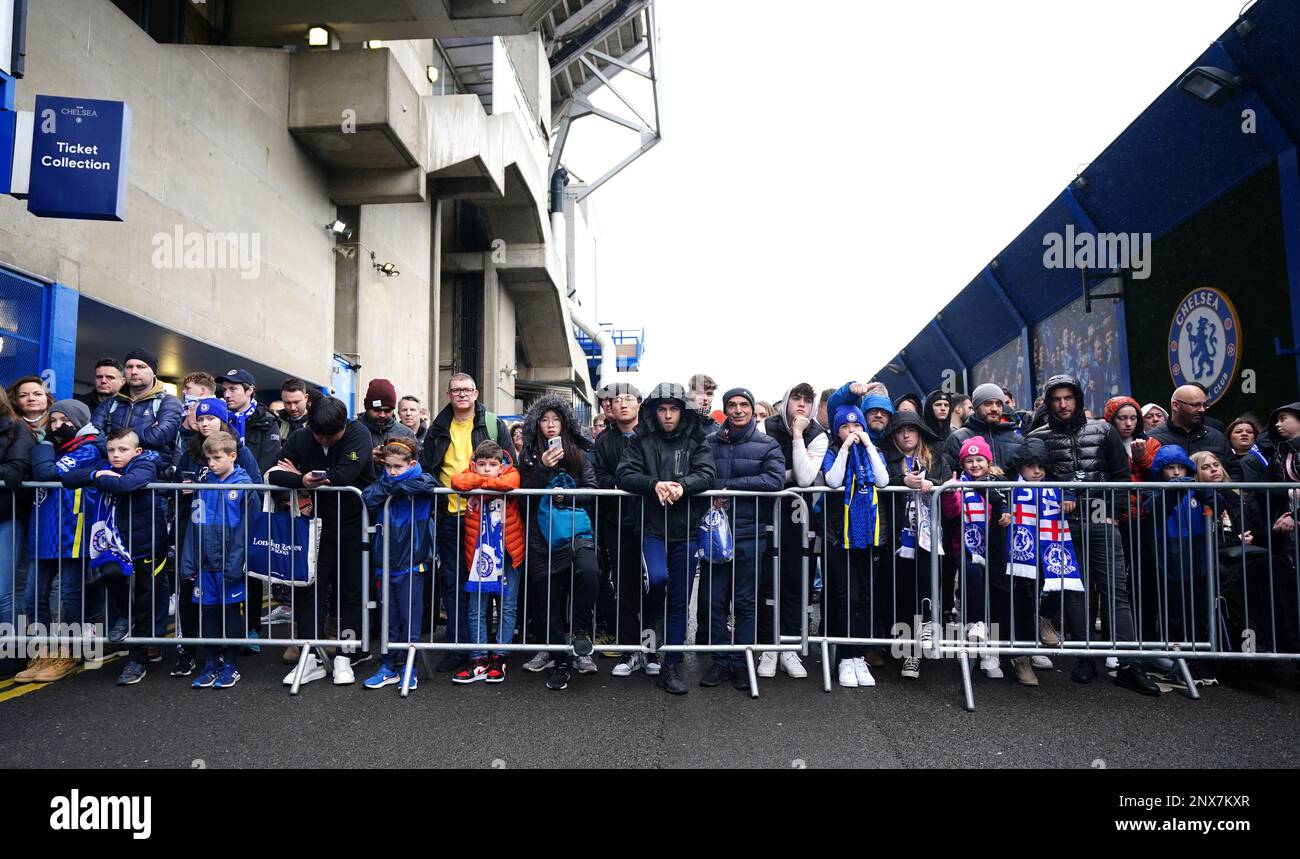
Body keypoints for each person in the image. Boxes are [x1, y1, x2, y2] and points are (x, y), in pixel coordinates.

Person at [1028, 375, 1159, 695]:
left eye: (1068, 398)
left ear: (1077, 400)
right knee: (1075, 592)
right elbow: (1033, 478)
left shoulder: (1103, 429)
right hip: (1062, 522)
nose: (1062, 404)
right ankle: (1084, 659)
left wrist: (1113, 512)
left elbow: (1119, 475)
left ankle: (1129, 665)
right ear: (1048, 402)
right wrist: (1057, 501)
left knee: (1116, 590)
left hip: (1102, 520)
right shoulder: (1037, 437)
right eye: (1056, 399)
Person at [269, 397, 376, 686]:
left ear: (343, 426)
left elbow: (346, 475)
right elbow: (273, 472)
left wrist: (302, 477)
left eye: (331, 435)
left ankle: (347, 655)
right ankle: (311, 655)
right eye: (319, 435)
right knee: (309, 589)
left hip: (354, 526)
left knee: (351, 590)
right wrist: (300, 481)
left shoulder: (359, 433)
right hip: (315, 527)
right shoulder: (303, 436)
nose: (325, 440)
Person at [617, 382, 716, 695]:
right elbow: (624, 474)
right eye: (662, 409)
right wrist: (655, 484)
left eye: (674, 408)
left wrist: (682, 485)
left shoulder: (696, 437)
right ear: (654, 411)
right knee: (657, 580)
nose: (669, 415)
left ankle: (671, 664)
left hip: (686, 530)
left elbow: (708, 473)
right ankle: (648, 643)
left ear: (682, 410)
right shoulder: (640, 438)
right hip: (652, 528)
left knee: (679, 600)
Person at [418, 374, 511, 672]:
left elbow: (510, 466)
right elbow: (428, 469)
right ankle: (459, 646)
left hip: (489, 518)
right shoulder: (437, 428)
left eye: (466, 390)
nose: (461, 395)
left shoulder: (494, 424)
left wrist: (472, 484)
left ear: (476, 393)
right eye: (456, 390)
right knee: (454, 582)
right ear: (448, 394)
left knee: (490, 582)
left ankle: (492, 647)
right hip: (450, 516)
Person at [61, 429, 170, 686]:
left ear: (136, 451)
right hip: (112, 544)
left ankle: (138, 659)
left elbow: (127, 484)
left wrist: (99, 479)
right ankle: (125, 614)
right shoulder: (103, 467)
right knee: (109, 574)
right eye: (111, 450)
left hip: (146, 545)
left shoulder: (145, 464)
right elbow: (67, 478)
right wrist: (95, 473)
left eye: (122, 449)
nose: (116, 455)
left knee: (146, 600)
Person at [698, 387, 784, 691]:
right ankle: (720, 661)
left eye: (744, 405)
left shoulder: (767, 444)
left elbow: (775, 480)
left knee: (746, 602)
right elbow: (700, 476)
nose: (738, 410)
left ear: (750, 409)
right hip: (714, 536)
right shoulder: (708, 443)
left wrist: (729, 487)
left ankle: (742, 663)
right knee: (712, 600)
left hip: (750, 534)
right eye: (732, 405)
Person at [516, 395, 599, 691]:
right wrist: (541, 469)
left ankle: (580, 636)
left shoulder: (579, 453)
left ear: (565, 424)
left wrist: (567, 495)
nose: (550, 426)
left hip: (578, 534)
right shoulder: (527, 454)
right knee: (547, 597)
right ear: (537, 424)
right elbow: (522, 495)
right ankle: (558, 659)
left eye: (556, 420)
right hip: (541, 536)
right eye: (545, 420)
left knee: (589, 573)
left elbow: (593, 491)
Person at [14, 400, 99, 684]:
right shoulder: (52, 447)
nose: (57, 426)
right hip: (44, 530)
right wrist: (48, 446)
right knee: (32, 596)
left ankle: (69, 653)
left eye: (64, 420)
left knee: (69, 596)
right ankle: (44, 652)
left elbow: (48, 473)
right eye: (53, 421)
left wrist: (46, 445)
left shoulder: (89, 447)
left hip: (71, 531)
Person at [760, 382, 827, 680]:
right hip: (766, 514)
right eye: (796, 398)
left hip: (800, 517)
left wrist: (798, 435)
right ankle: (767, 647)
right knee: (767, 581)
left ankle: (789, 647)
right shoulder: (766, 427)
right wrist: (779, 477)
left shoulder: (817, 434)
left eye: (807, 400)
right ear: (786, 401)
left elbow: (804, 476)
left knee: (796, 581)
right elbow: (759, 473)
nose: (801, 404)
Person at [361, 438, 438, 690]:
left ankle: (409, 666)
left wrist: (395, 485)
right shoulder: (386, 483)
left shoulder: (422, 480)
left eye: (398, 467)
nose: (392, 471)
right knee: (388, 617)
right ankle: (387, 666)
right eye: (388, 466)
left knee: (410, 617)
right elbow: (367, 497)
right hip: (385, 560)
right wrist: (390, 484)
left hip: (412, 562)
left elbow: (428, 484)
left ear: (412, 463)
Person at [822, 406, 889, 688]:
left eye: (856, 427)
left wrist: (869, 447)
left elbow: (883, 480)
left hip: (867, 536)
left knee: (863, 597)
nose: (853, 432)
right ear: (837, 431)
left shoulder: (874, 451)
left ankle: (858, 655)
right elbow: (833, 480)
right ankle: (845, 657)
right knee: (844, 596)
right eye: (846, 428)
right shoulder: (832, 452)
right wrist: (846, 449)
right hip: (840, 536)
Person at [1140, 445, 1219, 684]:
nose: (1176, 473)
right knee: (1175, 614)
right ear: (1160, 472)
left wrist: (1211, 495)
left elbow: (1222, 504)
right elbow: (1153, 509)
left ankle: (1200, 664)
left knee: (1200, 612)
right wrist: (1174, 491)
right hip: (1169, 556)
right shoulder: (1153, 492)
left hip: (1197, 554)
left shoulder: (1197, 489)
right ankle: (1181, 665)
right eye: (1170, 468)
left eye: (1180, 467)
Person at [594, 383, 658, 678]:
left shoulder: (652, 435)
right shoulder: (604, 441)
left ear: (639, 404)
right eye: (616, 400)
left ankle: (653, 647)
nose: (622, 404)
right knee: (626, 586)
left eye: (628, 399)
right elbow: (600, 476)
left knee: (655, 584)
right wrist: (623, 485)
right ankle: (632, 648)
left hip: (652, 522)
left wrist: (633, 483)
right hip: (617, 521)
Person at [1001, 438, 1076, 687]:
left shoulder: (1056, 485)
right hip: (1018, 554)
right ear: (1020, 466)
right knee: (1021, 599)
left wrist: (1071, 497)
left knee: (1064, 582)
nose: (1037, 471)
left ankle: (1043, 621)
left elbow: (1075, 486)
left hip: (1050, 549)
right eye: (1031, 466)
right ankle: (1021, 656)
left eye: (1042, 466)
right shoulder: (1008, 485)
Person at [449, 439, 524, 684]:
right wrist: (486, 483)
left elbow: (510, 483)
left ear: (501, 464)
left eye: (493, 464)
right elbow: (457, 482)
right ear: (474, 464)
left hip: (509, 554)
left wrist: (481, 485)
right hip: (478, 557)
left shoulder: (510, 472)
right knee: (476, 608)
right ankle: (479, 658)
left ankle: (500, 656)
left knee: (507, 606)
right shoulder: (469, 475)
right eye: (482, 464)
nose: (488, 469)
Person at [181, 432, 252, 690]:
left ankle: (231, 664)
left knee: (231, 612)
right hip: (205, 563)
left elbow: (246, 529)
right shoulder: (204, 484)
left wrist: (237, 563)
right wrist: (189, 563)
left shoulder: (244, 485)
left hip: (229, 562)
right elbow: (193, 524)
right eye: (208, 458)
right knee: (209, 612)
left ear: (232, 456)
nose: (211, 463)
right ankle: (211, 663)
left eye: (217, 458)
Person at [883, 409, 949, 680]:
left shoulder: (936, 458)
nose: (906, 434)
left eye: (911, 429)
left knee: (927, 588)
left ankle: (919, 651)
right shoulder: (889, 460)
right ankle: (907, 651)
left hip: (932, 538)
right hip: (900, 539)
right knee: (904, 593)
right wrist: (902, 481)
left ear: (920, 432)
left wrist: (932, 483)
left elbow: (948, 484)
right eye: (900, 430)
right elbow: (880, 483)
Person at [940, 436, 1010, 679]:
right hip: (965, 550)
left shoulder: (999, 483)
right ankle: (974, 640)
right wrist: (949, 491)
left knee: (995, 597)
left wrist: (1005, 514)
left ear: (988, 461)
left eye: (979, 459)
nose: (975, 465)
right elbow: (952, 511)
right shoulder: (959, 484)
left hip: (994, 552)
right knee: (971, 579)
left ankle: (991, 654)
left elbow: (1005, 508)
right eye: (969, 461)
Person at [91, 348, 184, 475]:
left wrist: (113, 439)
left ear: (153, 372)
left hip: (153, 480)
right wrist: (146, 432)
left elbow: (157, 437)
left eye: (141, 367)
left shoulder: (168, 402)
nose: (134, 371)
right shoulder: (111, 403)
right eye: (129, 367)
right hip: (112, 474)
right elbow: (94, 435)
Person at [1147, 385, 1241, 481]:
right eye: (1195, 405)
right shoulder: (1153, 438)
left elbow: (1234, 470)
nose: (1202, 410)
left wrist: (1228, 493)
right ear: (1176, 405)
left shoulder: (1216, 436)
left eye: (1204, 405)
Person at [0, 388, 35, 631]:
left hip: (7, 515)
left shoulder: (16, 428)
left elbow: (15, 471)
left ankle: (11, 652)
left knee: (4, 590)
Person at [945, 383, 1025, 472]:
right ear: (976, 407)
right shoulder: (958, 438)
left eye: (998, 404)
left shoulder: (1017, 440)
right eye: (988, 404)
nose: (994, 408)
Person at [219, 369, 282, 474]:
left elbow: (268, 462)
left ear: (249, 390)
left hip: (254, 486)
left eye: (233, 389)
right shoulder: (220, 419)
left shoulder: (267, 421)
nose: (227, 395)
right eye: (225, 390)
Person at [356, 378, 416, 457]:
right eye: (377, 410)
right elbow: (345, 460)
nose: (382, 415)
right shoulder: (353, 431)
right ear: (366, 407)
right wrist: (367, 458)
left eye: (387, 411)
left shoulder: (406, 434)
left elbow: (415, 465)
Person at [1225, 416, 1269, 483]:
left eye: (1249, 432)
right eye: (1238, 432)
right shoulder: (1225, 458)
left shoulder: (1265, 456)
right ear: (1229, 438)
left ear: (1255, 437)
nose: (1244, 434)